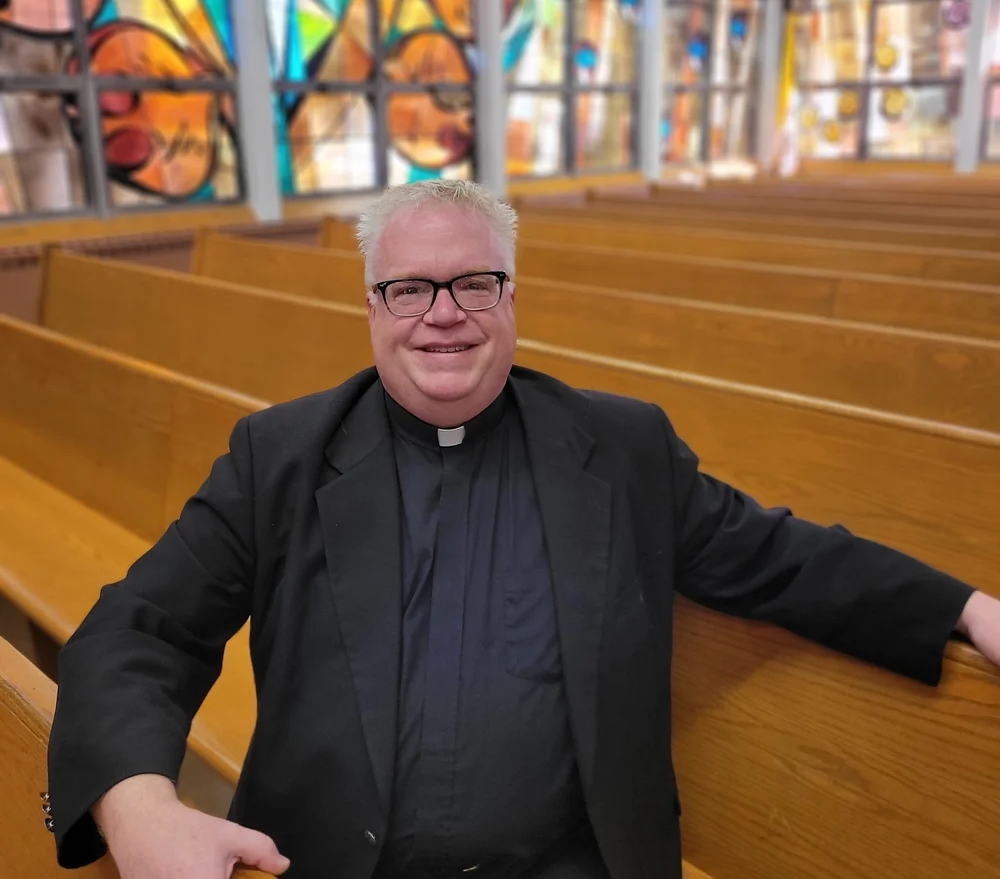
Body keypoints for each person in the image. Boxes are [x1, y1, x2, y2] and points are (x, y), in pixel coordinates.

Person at [48, 180, 1000, 879]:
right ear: (372, 309)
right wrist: (139, 806)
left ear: (512, 299)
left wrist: (963, 605)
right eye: (410, 290)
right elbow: (141, 627)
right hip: (330, 862)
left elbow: (783, 559)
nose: (444, 316)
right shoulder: (282, 457)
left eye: (475, 285)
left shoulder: (622, 447)